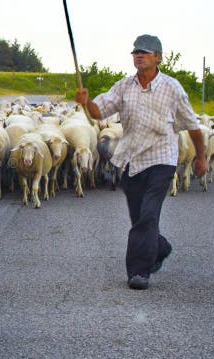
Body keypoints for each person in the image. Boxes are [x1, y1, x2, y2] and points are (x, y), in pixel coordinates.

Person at [75, 34, 206, 290]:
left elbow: (192, 124)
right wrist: (85, 102)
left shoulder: (172, 88)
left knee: (148, 215)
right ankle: (160, 246)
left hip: (162, 159)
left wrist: (200, 157)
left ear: (158, 57)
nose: (138, 55)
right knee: (139, 219)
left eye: (144, 52)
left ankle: (138, 272)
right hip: (131, 160)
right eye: (135, 52)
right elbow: (99, 111)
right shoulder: (124, 86)